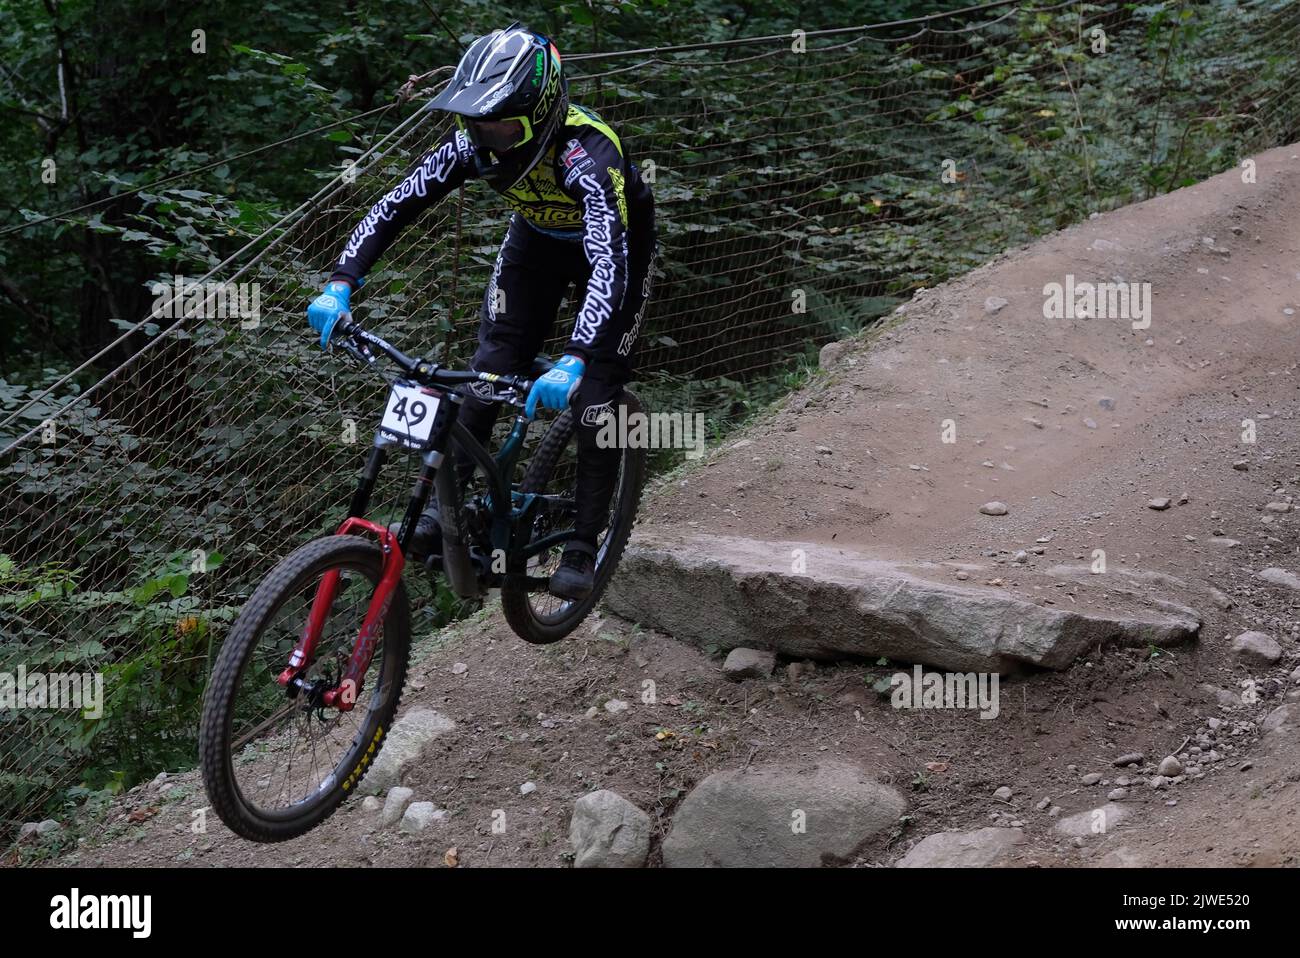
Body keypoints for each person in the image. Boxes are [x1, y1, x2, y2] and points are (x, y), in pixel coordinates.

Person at [306, 24, 656, 601]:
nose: (489, 140)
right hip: (537, 244)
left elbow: (608, 265)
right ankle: (442, 516)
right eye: (477, 124)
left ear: (541, 114)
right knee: (490, 371)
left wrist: (573, 358)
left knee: (593, 395)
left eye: (502, 126)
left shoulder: (588, 157)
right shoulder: (472, 143)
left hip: (615, 250)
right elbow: (399, 202)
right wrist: (341, 282)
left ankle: (584, 544)